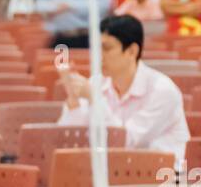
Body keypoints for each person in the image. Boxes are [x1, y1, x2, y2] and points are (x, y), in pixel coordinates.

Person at [57, 14, 189, 166]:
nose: (98, 56)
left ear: (132, 51)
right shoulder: (96, 84)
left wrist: (95, 99)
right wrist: (74, 102)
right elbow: (71, 141)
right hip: (111, 175)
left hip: (159, 182)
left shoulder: (162, 91)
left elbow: (125, 143)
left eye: (106, 48)